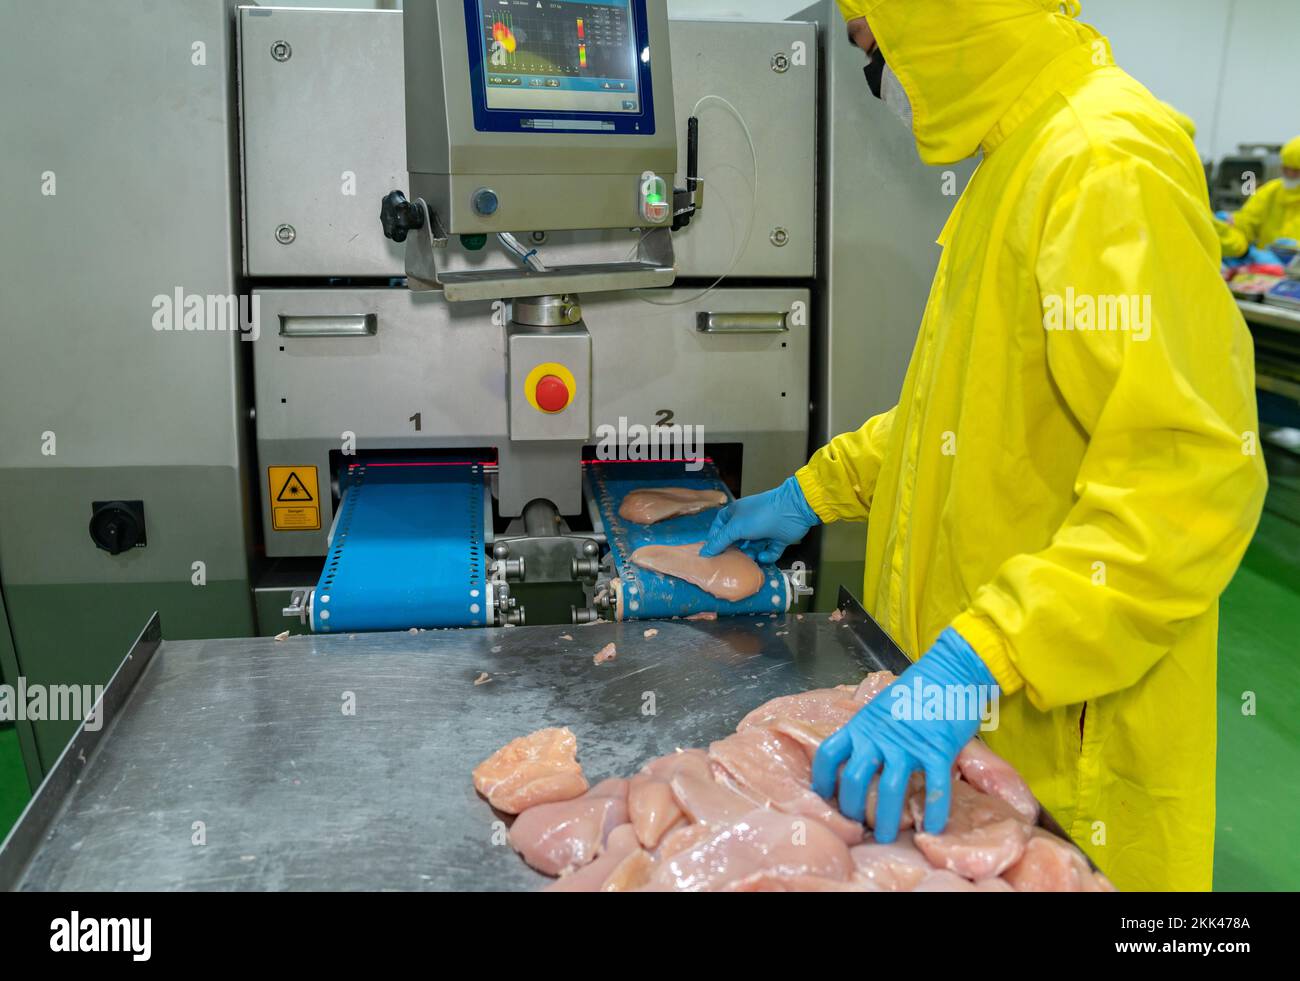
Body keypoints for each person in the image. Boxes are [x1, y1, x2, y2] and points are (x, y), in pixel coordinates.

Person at [702, 0, 1267, 891]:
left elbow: (1190, 477)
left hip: (1064, 730)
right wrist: (814, 490)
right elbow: (961, 420)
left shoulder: (1103, 160)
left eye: (871, 44)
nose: (878, 77)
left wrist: (984, 658)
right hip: (981, 723)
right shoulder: (1016, 163)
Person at [1218, 135, 1300, 260]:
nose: (1290, 174)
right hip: (1268, 266)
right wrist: (1231, 223)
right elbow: (1248, 220)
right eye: (1286, 169)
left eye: (1296, 171)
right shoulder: (1270, 191)